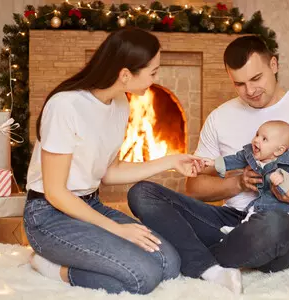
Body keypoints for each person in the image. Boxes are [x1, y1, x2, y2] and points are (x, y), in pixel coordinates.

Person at [127, 36, 289, 294]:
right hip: (230, 223)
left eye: (256, 78)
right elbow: (194, 188)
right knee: (142, 193)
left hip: (283, 226)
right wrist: (237, 183)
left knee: (272, 223)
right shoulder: (220, 117)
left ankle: (191, 258)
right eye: (239, 83)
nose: (250, 91)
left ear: (274, 64)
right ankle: (209, 264)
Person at [23, 27, 205, 295]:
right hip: (48, 216)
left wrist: (172, 160)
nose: (156, 79)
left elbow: (109, 171)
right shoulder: (65, 106)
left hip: (90, 204)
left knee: (169, 264)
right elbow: (55, 192)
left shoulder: (120, 103)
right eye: (153, 72)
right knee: (142, 277)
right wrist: (117, 230)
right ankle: (52, 267)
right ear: (124, 74)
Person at [204, 120, 289, 235]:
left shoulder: (288, 164)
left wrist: (283, 179)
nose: (256, 140)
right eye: (257, 134)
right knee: (253, 211)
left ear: (278, 150)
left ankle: (245, 233)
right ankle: (240, 231)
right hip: (262, 205)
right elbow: (233, 160)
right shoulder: (250, 155)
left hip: (285, 209)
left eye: (264, 139)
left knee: (270, 222)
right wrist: (214, 163)